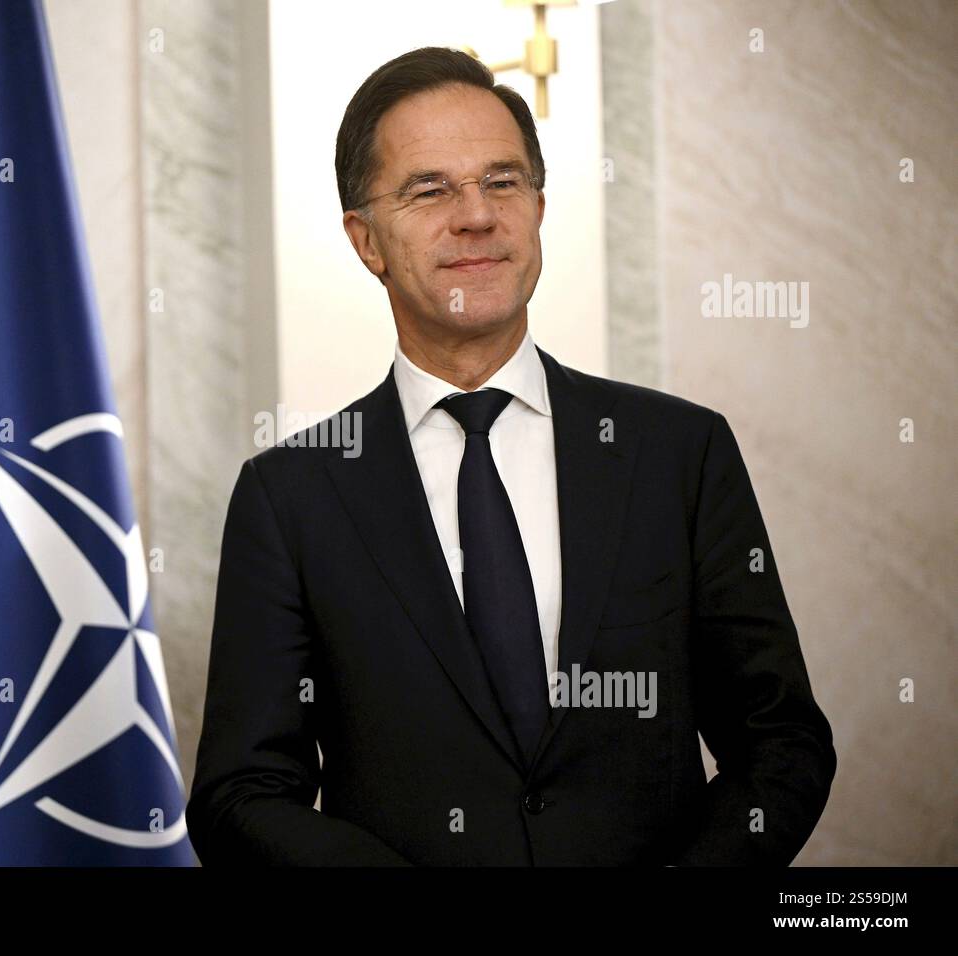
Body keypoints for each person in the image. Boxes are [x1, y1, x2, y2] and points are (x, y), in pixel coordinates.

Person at [185, 46, 834, 866]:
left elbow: (782, 743)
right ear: (366, 240)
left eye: (503, 182)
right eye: (430, 190)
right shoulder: (290, 495)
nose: (477, 216)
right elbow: (241, 797)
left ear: (536, 207)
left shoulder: (679, 453)